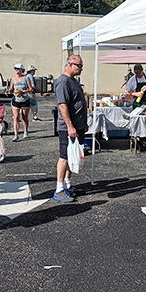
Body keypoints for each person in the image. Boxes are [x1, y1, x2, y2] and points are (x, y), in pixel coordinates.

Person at [54, 54, 87, 203]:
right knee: (65, 157)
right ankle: (59, 188)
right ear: (70, 64)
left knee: (73, 156)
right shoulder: (62, 82)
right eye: (79, 66)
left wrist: (83, 123)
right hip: (68, 128)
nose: (81, 69)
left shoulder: (73, 81)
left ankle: (67, 183)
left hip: (77, 127)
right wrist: (70, 126)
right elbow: (62, 105)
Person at [6, 62, 33, 141]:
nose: (16, 70)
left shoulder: (26, 78)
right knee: (16, 117)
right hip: (16, 100)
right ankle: (16, 135)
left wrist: (25, 91)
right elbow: (11, 89)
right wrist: (8, 91)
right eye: (15, 68)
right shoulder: (13, 79)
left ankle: (25, 131)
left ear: (22, 70)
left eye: (18, 69)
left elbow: (31, 89)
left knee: (24, 117)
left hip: (24, 99)